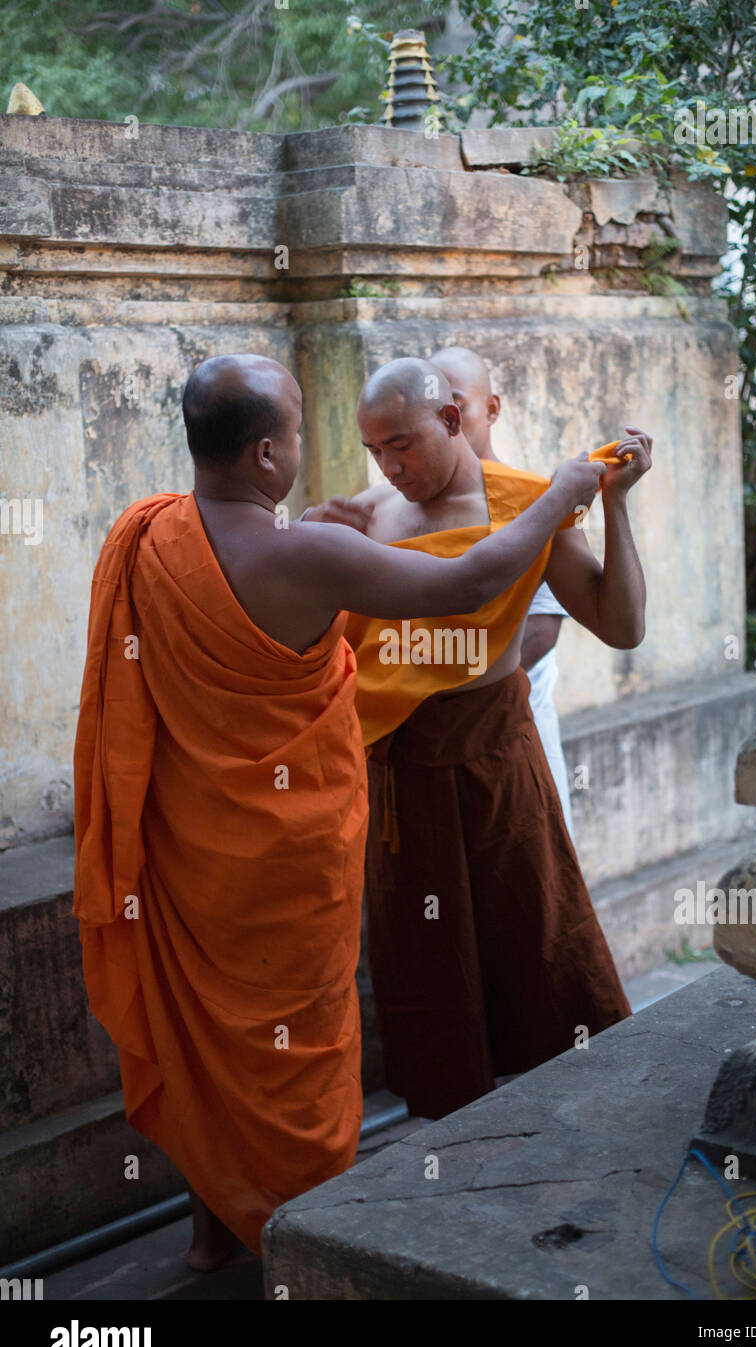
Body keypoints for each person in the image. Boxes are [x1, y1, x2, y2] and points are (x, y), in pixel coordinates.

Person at [72, 353, 601, 1267]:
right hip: (284, 863)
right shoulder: (306, 554)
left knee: (207, 1052)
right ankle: (308, 1242)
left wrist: (312, 529)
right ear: (270, 452)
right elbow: (464, 588)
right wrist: (559, 498)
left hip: (189, 859)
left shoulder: (146, 537)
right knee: (293, 1053)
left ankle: (212, 1240)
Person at [304, 356, 649, 1120]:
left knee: (540, 939)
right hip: (401, 776)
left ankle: (565, 1130)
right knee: (427, 967)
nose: (391, 467)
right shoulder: (369, 518)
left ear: (454, 422)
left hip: (497, 759)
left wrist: (615, 507)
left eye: (404, 444)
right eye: (376, 451)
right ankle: (449, 1154)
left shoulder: (525, 506)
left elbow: (622, 626)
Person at [430, 346, 575, 838]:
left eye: (457, 407)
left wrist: (442, 681)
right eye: (433, 412)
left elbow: (539, 633)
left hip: (517, 722)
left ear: (492, 408)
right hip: (432, 737)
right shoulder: (406, 505)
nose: (446, 423)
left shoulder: (532, 498)